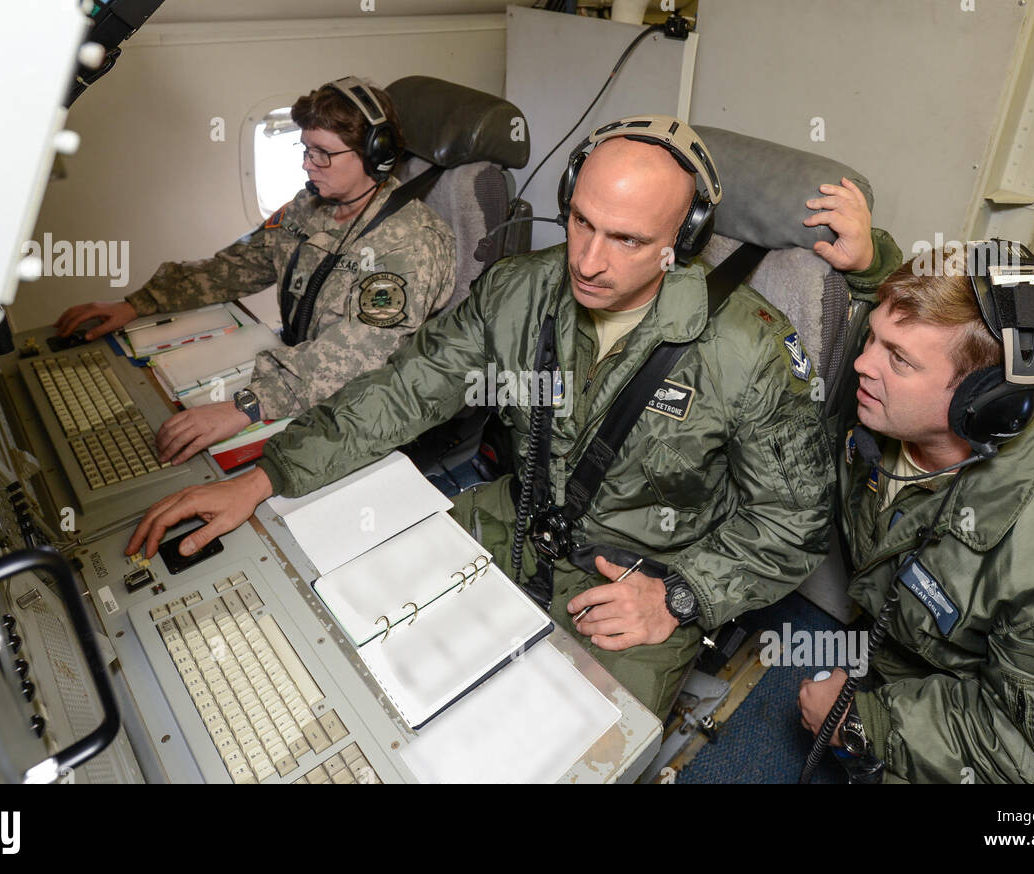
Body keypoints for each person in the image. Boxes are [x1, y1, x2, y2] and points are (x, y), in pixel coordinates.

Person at [126, 116, 900, 719]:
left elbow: (794, 520)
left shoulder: (750, 349)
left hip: (642, 575)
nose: (589, 260)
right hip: (517, 517)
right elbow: (406, 387)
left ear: (684, 240)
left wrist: (680, 597)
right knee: (353, 635)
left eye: (628, 240)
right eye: (583, 222)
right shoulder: (519, 291)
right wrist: (266, 475)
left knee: (565, 746)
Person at [798, 244, 1034, 782]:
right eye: (873, 336)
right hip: (904, 661)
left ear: (987, 402)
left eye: (898, 358)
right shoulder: (898, 413)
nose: (862, 363)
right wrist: (873, 258)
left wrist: (862, 723)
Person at [54, 77, 456, 465]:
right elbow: (242, 263)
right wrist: (138, 303)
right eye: (304, 150)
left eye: (322, 154)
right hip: (302, 377)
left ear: (375, 155)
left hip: (364, 404)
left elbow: (360, 355)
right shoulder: (309, 205)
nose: (307, 165)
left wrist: (247, 405)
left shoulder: (410, 243)